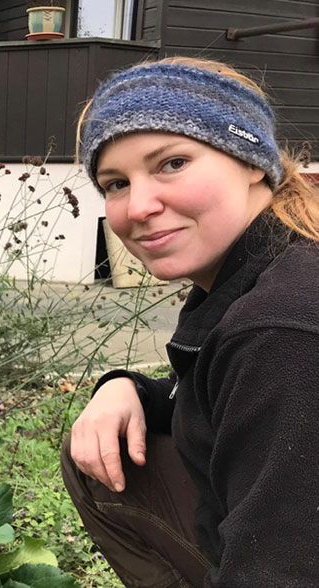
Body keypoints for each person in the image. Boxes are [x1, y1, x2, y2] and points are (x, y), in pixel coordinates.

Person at [61, 56, 319, 587]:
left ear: (252, 161)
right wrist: (127, 388)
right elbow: (223, 398)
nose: (139, 206)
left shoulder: (280, 330)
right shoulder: (261, 265)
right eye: (115, 184)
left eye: (171, 163)